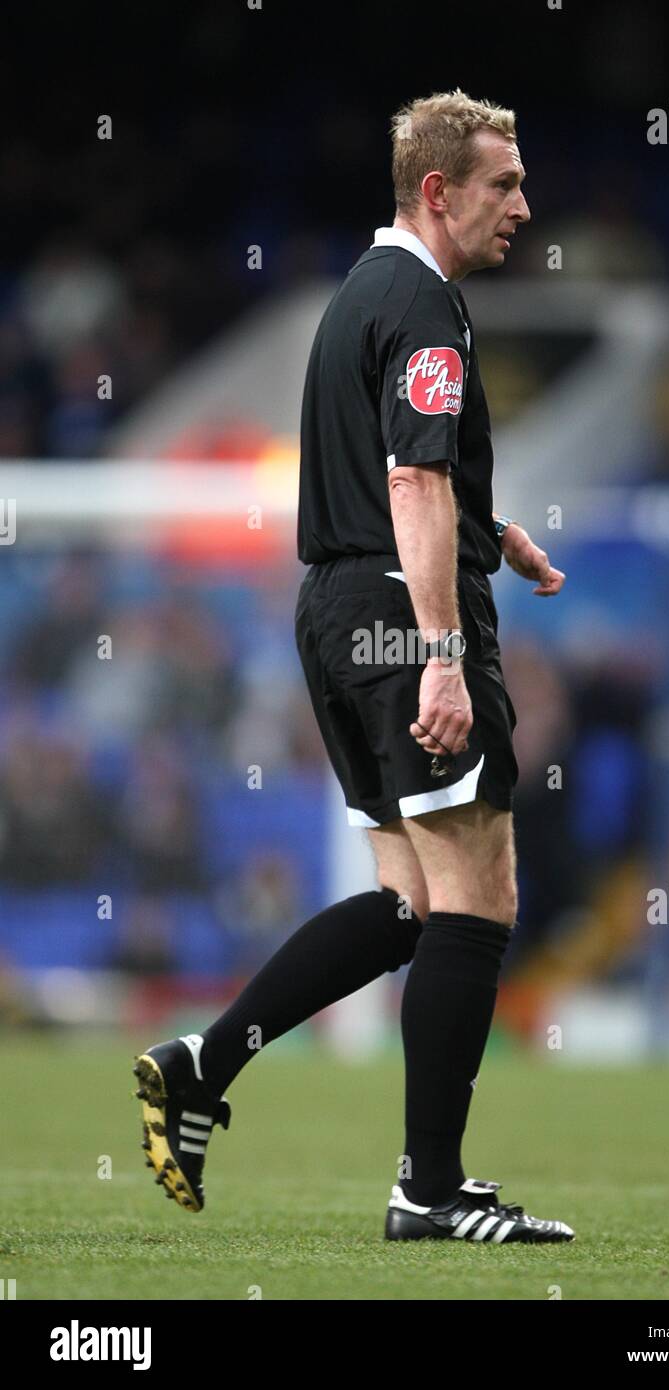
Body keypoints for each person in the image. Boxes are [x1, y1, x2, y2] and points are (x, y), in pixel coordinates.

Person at [133, 89, 574, 1245]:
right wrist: (440, 656)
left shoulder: (356, 297)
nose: (523, 206)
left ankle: (201, 1061)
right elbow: (410, 483)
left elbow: (406, 469)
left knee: (409, 903)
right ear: (437, 190)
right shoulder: (424, 308)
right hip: (400, 618)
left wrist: (492, 531)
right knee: (480, 894)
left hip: (335, 608)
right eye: (502, 184)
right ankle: (427, 1190)